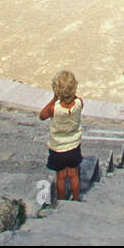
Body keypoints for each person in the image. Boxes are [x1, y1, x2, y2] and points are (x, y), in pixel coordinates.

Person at [39, 70, 84, 201]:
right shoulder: (79, 103)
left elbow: (42, 116)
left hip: (58, 148)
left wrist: (54, 99)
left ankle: (61, 200)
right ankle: (76, 199)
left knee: (61, 177)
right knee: (74, 175)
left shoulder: (54, 109)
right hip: (74, 146)